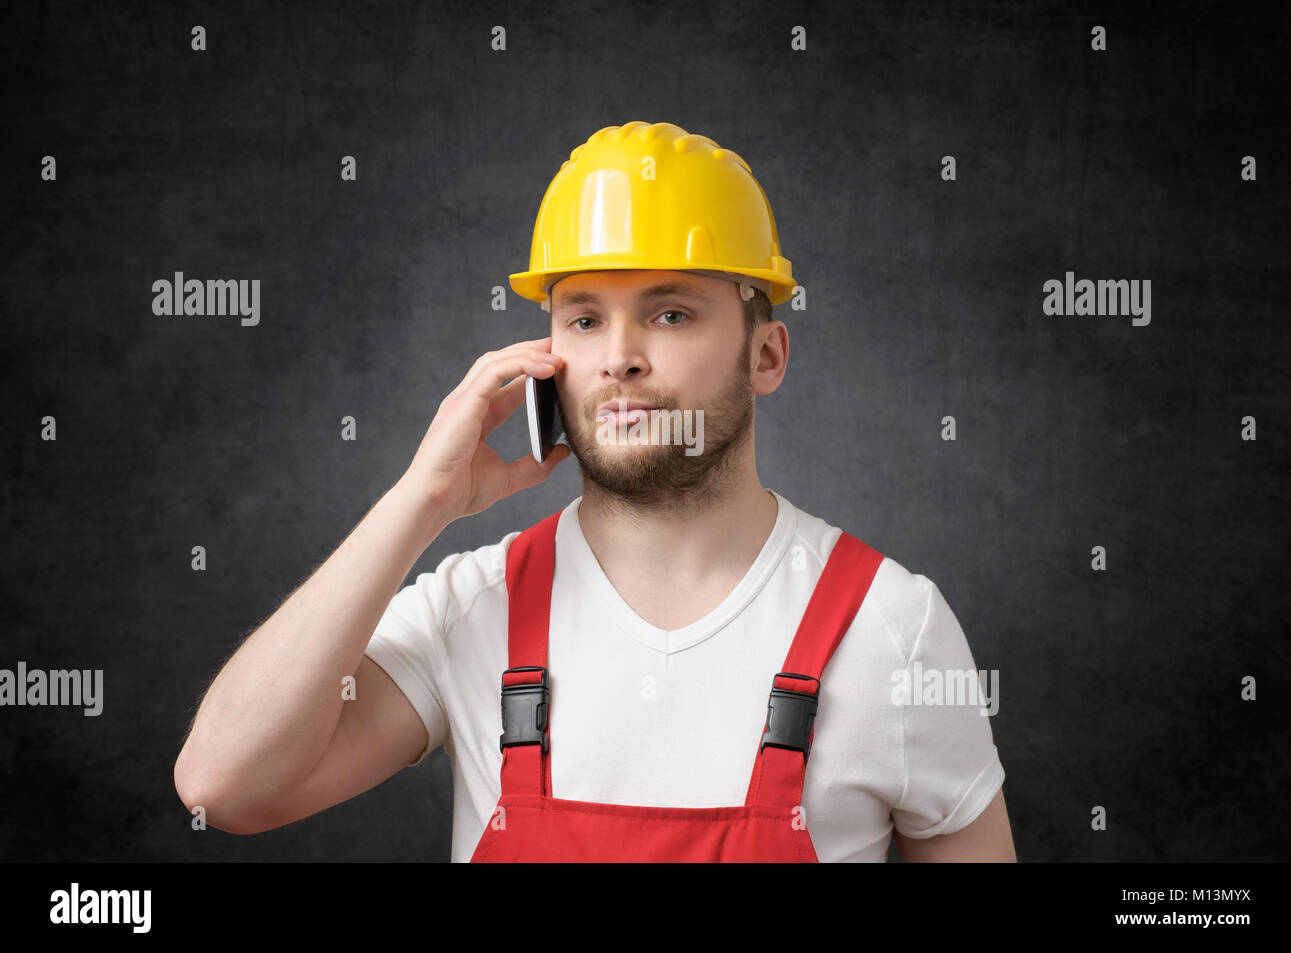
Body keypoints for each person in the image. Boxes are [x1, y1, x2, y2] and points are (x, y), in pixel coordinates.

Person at [174, 121, 1015, 862]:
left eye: (671, 313)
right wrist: (418, 502)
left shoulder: (892, 628)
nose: (619, 357)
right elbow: (224, 787)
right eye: (583, 318)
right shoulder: (477, 608)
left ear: (766, 356)